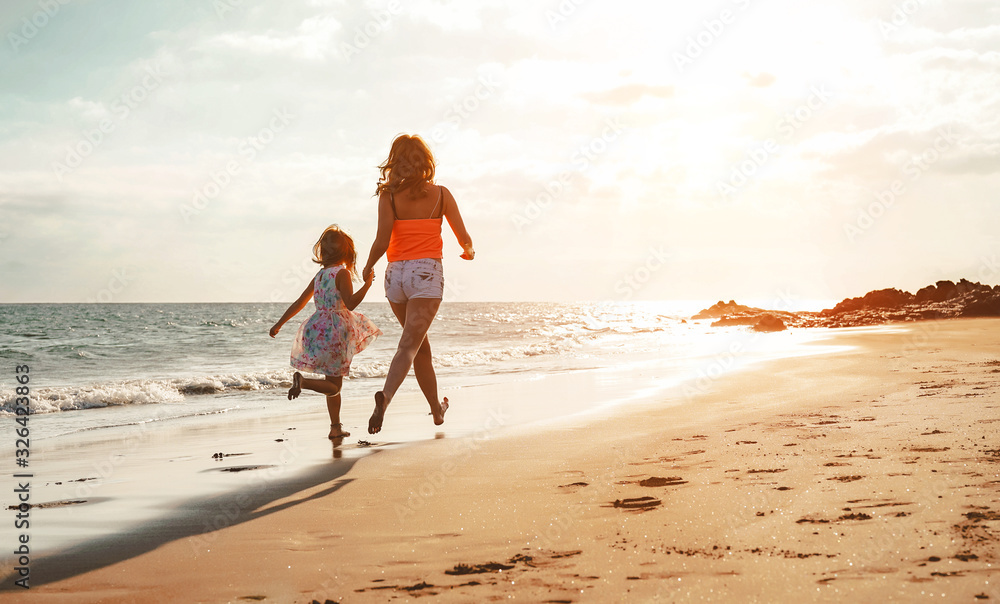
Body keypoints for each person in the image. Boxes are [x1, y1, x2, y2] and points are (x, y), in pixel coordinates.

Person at [362, 134, 474, 434]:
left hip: (395, 277)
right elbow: (464, 237)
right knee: (409, 346)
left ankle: (437, 411)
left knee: (420, 347)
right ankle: (385, 398)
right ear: (425, 161)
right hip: (425, 275)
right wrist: (468, 250)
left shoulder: (388, 196)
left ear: (395, 162)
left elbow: (382, 240)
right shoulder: (441, 195)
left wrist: (369, 265)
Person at [270, 225, 381, 439]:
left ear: (322, 252)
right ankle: (303, 382)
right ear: (347, 253)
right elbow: (351, 303)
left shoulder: (320, 276)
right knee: (334, 386)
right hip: (336, 332)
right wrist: (367, 285)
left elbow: (300, 302)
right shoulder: (342, 273)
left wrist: (280, 323)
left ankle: (335, 427)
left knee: (331, 379)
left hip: (317, 330)